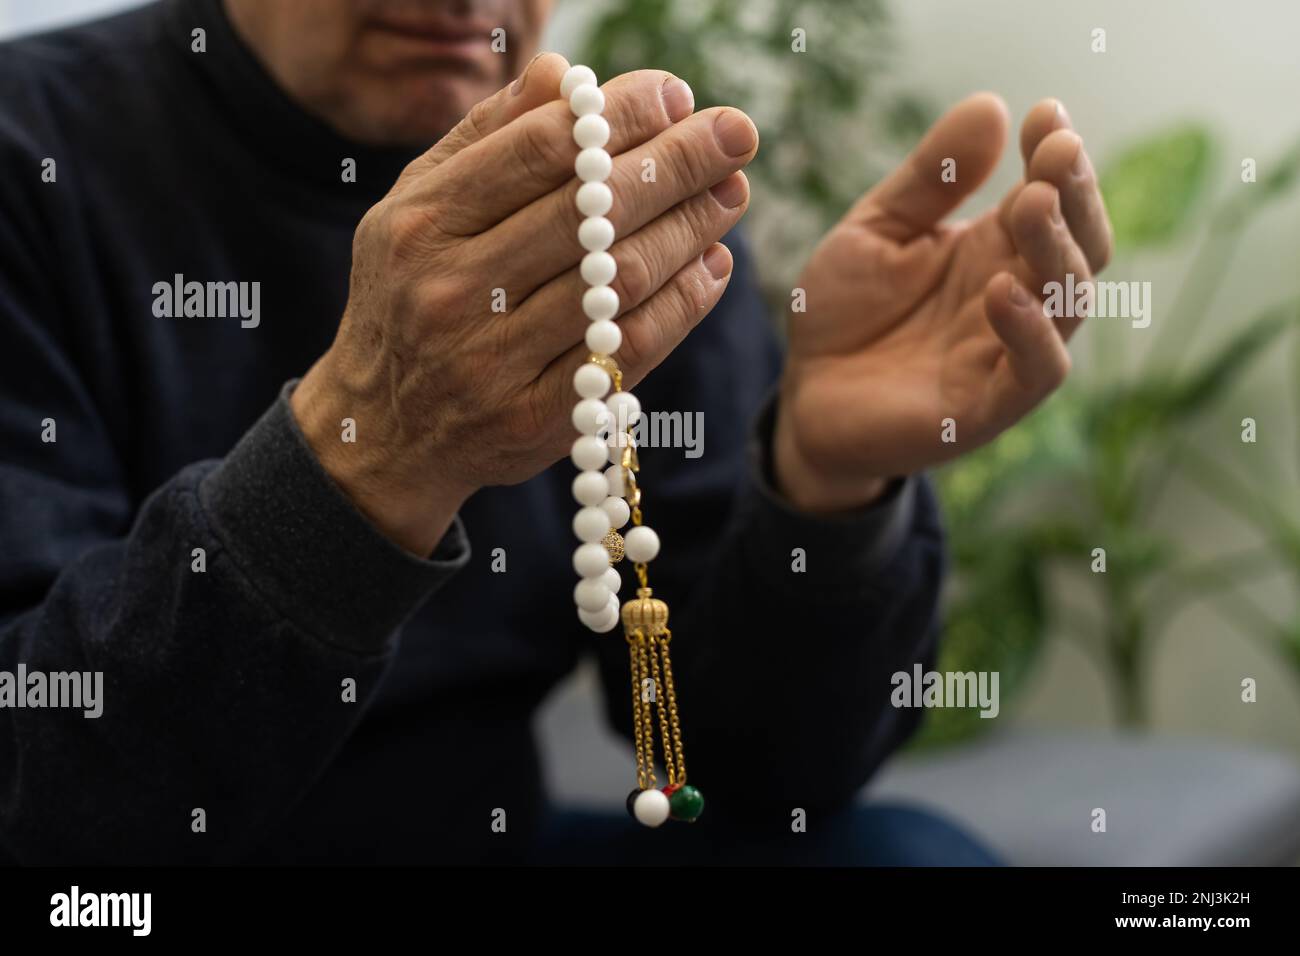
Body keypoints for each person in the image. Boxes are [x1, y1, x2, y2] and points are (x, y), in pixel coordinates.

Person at [0, 0, 1110, 865]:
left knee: (902, 856)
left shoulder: (603, 192)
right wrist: (370, 448)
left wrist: (822, 482)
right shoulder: (33, 156)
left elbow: (756, 771)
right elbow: (39, 788)